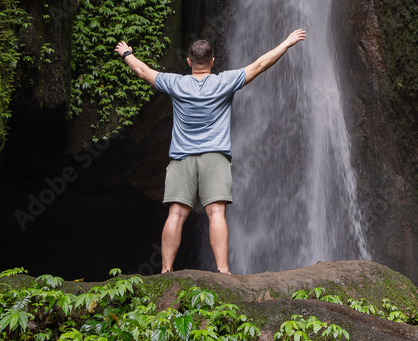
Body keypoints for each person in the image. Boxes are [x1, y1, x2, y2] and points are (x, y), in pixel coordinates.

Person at [114, 29, 306, 274]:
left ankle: (165, 270)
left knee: (176, 213)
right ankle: (223, 271)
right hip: (215, 156)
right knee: (216, 212)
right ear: (213, 61)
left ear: (189, 61)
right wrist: (287, 43)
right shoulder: (224, 82)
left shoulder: (176, 83)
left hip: (182, 157)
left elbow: (142, 71)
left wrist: (127, 53)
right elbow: (260, 65)